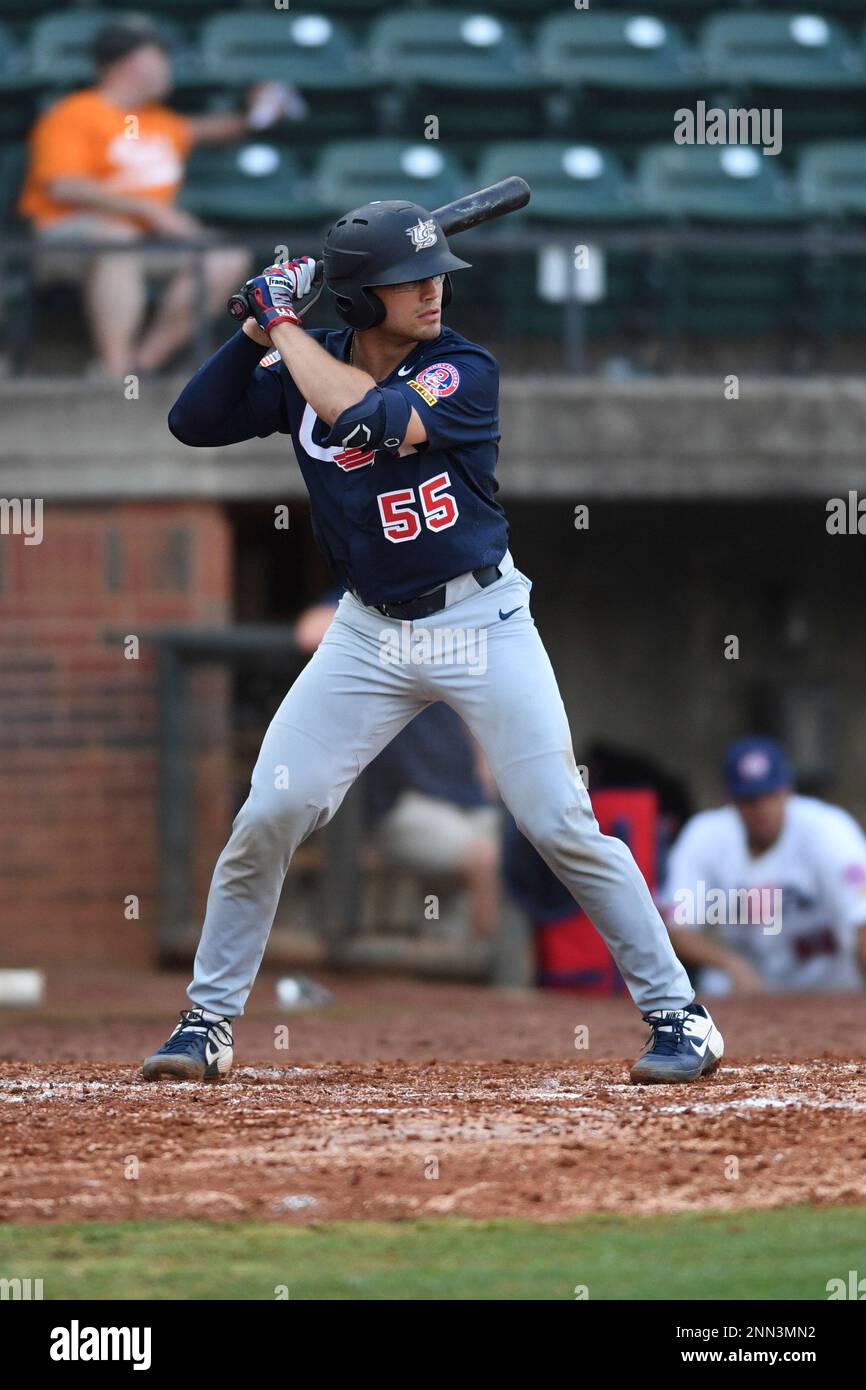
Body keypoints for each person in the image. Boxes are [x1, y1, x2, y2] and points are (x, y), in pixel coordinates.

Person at [142, 199, 723, 1085]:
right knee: (271, 810)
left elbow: (367, 422)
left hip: (479, 622)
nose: (432, 292)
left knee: (558, 820)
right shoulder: (309, 358)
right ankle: (207, 1020)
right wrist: (256, 327)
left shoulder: (463, 369)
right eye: (408, 281)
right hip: (368, 631)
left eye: (435, 276)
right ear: (360, 299)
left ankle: (679, 1013)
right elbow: (195, 420)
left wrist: (288, 325)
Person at [17, 15, 295, 377]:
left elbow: (213, 129)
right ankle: (114, 372)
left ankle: (140, 367)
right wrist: (149, 210)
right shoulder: (74, 113)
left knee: (224, 256)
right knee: (118, 243)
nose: (168, 66)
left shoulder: (159, 121)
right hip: (63, 239)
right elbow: (63, 185)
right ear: (131, 64)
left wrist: (258, 113)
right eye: (160, 56)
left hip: (144, 240)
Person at [294, 593, 501, 941]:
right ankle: (499, 980)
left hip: (466, 799)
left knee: (524, 851)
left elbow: (475, 700)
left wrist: (486, 765)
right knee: (487, 860)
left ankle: (457, 970)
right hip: (400, 805)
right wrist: (395, 629)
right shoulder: (367, 595)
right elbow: (309, 634)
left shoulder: (453, 605)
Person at [660, 736, 866, 994]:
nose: (762, 808)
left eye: (771, 794)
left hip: (829, 989)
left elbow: (863, 925)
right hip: (747, 991)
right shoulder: (705, 835)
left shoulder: (828, 830)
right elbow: (677, 929)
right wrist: (731, 964)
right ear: (730, 799)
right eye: (750, 799)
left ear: (788, 790)